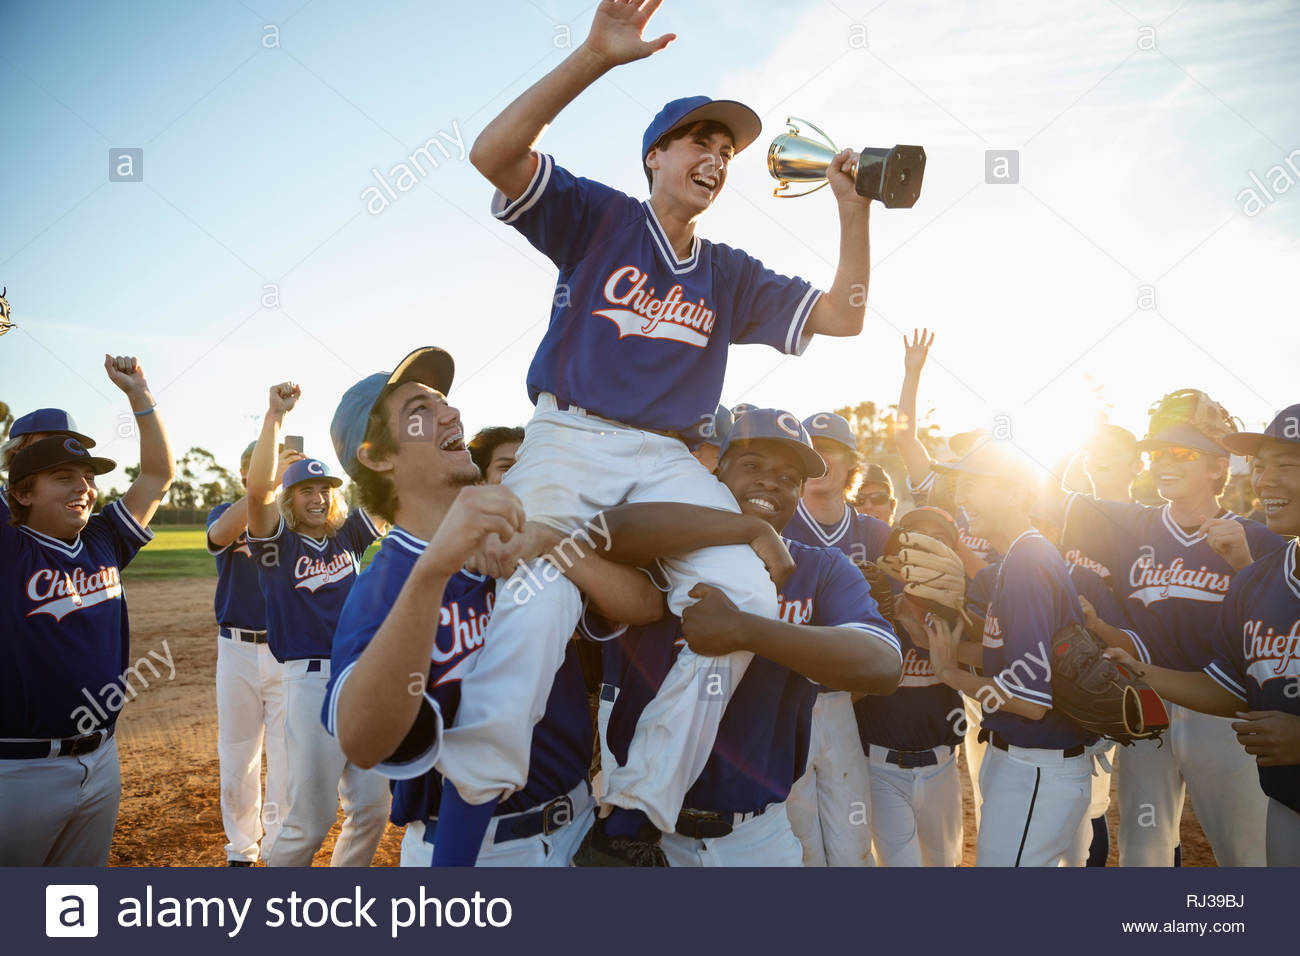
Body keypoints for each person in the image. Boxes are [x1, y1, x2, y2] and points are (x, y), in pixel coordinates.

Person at [444, 0, 879, 849]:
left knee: (747, 598)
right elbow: (492, 154)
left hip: (669, 456)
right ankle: (473, 799)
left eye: (726, 151)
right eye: (698, 142)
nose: (715, 157)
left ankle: (640, 805)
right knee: (535, 600)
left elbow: (845, 317)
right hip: (570, 437)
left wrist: (852, 209)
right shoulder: (600, 218)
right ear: (654, 156)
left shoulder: (726, 271)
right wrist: (595, 58)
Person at [323, 348, 663, 865]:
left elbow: (646, 606)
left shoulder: (520, 531)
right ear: (377, 456)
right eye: (419, 411)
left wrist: (549, 540)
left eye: (444, 401)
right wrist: (434, 572)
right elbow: (364, 742)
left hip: (577, 829)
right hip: (476, 853)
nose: (450, 413)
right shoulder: (384, 585)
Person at [588, 409, 902, 865]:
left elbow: (882, 666)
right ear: (718, 471)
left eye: (789, 477)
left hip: (758, 836)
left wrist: (748, 630)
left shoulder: (821, 568)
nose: (771, 482)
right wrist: (749, 530)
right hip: (650, 839)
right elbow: (601, 535)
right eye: (753, 465)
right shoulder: (659, 544)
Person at [1061, 400, 1283, 867]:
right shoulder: (1130, 524)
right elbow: (1047, 500)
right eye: (1159, 453)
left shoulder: (1260, 539)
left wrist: (1243, 567)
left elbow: (1279, 631)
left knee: (1245, 853)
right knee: (1143, 849)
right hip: (1146, 706)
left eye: (1182, 455)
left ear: (1219, 466)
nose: (1164, 462)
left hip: (1226, 712)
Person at [0, 355, 173, 866]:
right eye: (62, 475)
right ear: (21, 489)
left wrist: (139, 394)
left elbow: (159, 474)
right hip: (20, 769)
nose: (83, 487)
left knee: (74, 913)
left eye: (86, 476)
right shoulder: (10, 545)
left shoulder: (103, 540)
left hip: (102, 759)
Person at [924, 441, 1096, 867]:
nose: (961, 498)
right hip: (1028, 764)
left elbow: (1029, 703)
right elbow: (1012, 659)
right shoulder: (1017, 558)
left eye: (973, 485)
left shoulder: (1026, 563)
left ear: (1017, 492)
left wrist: (950, 673)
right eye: (959, 485)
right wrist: (929, 635)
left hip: (1035, 767)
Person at [244, 382, 389, 867]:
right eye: (307, 490)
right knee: (312, 815)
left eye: (325, 490)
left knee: (372, 805)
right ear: (290, 499)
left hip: (361, 677)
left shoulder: (348, 537)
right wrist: (274, 417)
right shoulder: (275, 547)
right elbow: (257, 490)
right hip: (308, 683)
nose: (319, 498)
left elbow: (391, 492)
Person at [781, 411, 889, 866]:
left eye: (831, 450)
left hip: (846, 702)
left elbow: (899, 627)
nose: (821, 459)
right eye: (813, 449)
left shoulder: (876, 534)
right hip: (785, 701)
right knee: (800, 841)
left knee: (851, 841)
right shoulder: (778, 528)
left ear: (851, 464)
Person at [205, 439, 302, 866]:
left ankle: (279, 846)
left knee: (284, 756)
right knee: (238, 753)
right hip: (237, 651)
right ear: (246, 475)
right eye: (260, 469)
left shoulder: (294, 521)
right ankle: (241, 851)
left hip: (286, 648)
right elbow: (220, 534)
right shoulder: (226, 513)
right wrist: (265, 486)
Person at [855, 507, 965, 867]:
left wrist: (925, 633)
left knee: (944, 864)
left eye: (941, 538)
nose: (930, 545)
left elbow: (991, 661)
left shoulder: (962, 608)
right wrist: (887, 622)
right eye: (920, 537)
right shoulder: (873, 598)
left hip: (942, 765)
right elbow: (850, 691)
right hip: (880, 766)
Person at [0, 408, 97, 521]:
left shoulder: (83, 518)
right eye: (52, 441)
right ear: (17, 448)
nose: (65, 451)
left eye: (71, 443)